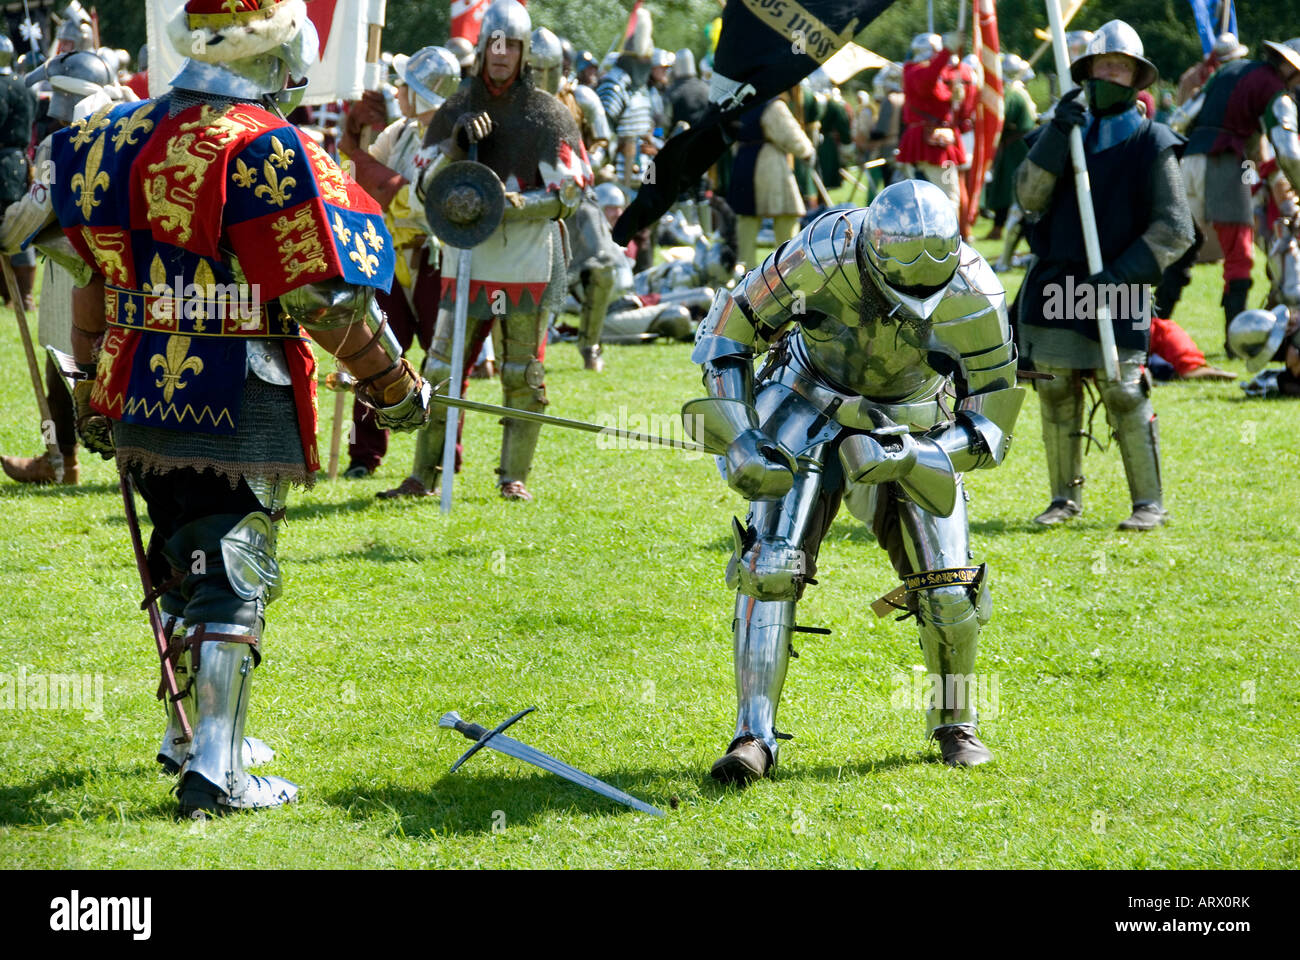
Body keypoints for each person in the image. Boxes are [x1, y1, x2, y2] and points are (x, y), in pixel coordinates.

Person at [41, 0, 430, 817]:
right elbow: (322, 297)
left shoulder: (113, 132)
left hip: (135, 378)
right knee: (235, 566)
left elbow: (89, 271)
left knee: (185, 555)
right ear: (279, 55)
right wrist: (392, 385)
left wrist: (85, 386)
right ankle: (217, 772)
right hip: (236, 386)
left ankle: (190, 735)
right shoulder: (268, 146)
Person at [691, 180, 1023, 782]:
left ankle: (956, 721)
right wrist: (741, 435)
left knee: (950, 587)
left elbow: (993, 424)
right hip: (804, 398)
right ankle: (753, 736)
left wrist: (910, 452)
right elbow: (728, 331)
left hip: (916, 419)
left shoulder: (977, 293)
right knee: (770, 565)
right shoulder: (820, 253)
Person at [381, 0, 586, 503]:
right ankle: (422, 474)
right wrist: (453, 147)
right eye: (495, 44)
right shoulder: (455, 108)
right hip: (463, 256)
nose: (502, 54)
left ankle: (512, 476)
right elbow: (424, 183)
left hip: (523, 258)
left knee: (522, 373)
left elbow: (572, 189)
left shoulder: (547, 113)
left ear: (522, 52)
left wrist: (512, 204)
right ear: (482, 48)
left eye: (511, 45)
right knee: (440, 369)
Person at [1015, 21, 1195, 531]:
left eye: (1121, 66)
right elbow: (1028, 199)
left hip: (1120, 286)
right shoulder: (1058, 133)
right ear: (1086, 71)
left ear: (1137, 76)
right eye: (1103, 64)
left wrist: (1118, 277)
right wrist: (1055, 136)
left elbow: (1175, 230)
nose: (1110, 72)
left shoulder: (1151, 140)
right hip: (1057, 282)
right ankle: (1062, 499)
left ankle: (1148, 504)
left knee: (1124, 390)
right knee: (1054, 387)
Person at [338, 46, 460, 477]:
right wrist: (356, 128)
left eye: (406, 84)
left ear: (423, 90)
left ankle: (444, 458)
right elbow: (356, 173)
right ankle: (364, 456)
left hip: (434, 259)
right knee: (371, 353)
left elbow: (419, 201)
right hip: (391, 260)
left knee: (441, 361)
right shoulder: (401, 132)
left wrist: (377, 173)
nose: (399, 91)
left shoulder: (453, 141)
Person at [0, 50, 115, 487]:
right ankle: (83, 457)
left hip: (75, 268)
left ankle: (61, 459)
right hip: (133, 273)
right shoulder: (137, 129)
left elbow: (33, 215)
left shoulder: (59, 145)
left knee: (61, 357)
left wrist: (4, 231)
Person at [1181, 37, 1300, 352]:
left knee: (1180, 252)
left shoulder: (1228, 71)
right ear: (1289, 67)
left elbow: (1183, 116)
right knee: (1239, 253)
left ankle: (1153, 328)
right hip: (1223, 163)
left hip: (1187, 160)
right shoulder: (1275, 90)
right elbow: (1289, 153)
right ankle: (1236, 342)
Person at [727, 90, 814, 270]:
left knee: (746, 221)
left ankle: (744, 270)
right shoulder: (772, 105)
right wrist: (807, 151)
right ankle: (788, 268)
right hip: (769, 165)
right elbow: (790, 134)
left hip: (743, 162)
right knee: (787, 214)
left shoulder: (739, 104)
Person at [897, 33, 974, 216]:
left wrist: (952, 97)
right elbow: (926, 81)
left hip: (935, 141)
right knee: (948, 197)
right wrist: (947, 52)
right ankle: (947, 241)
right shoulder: (916, 72)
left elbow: (934, 98)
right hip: (933, 144)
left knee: (940, 196)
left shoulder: (920, 72)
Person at [984, 54, 1036, 242]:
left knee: (1008, 189)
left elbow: (1000, 117)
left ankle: (1000, 229)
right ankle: (1000, 228)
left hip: (1016, 146)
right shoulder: (1015, 91)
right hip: (1014, 145)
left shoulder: (1013, 93)